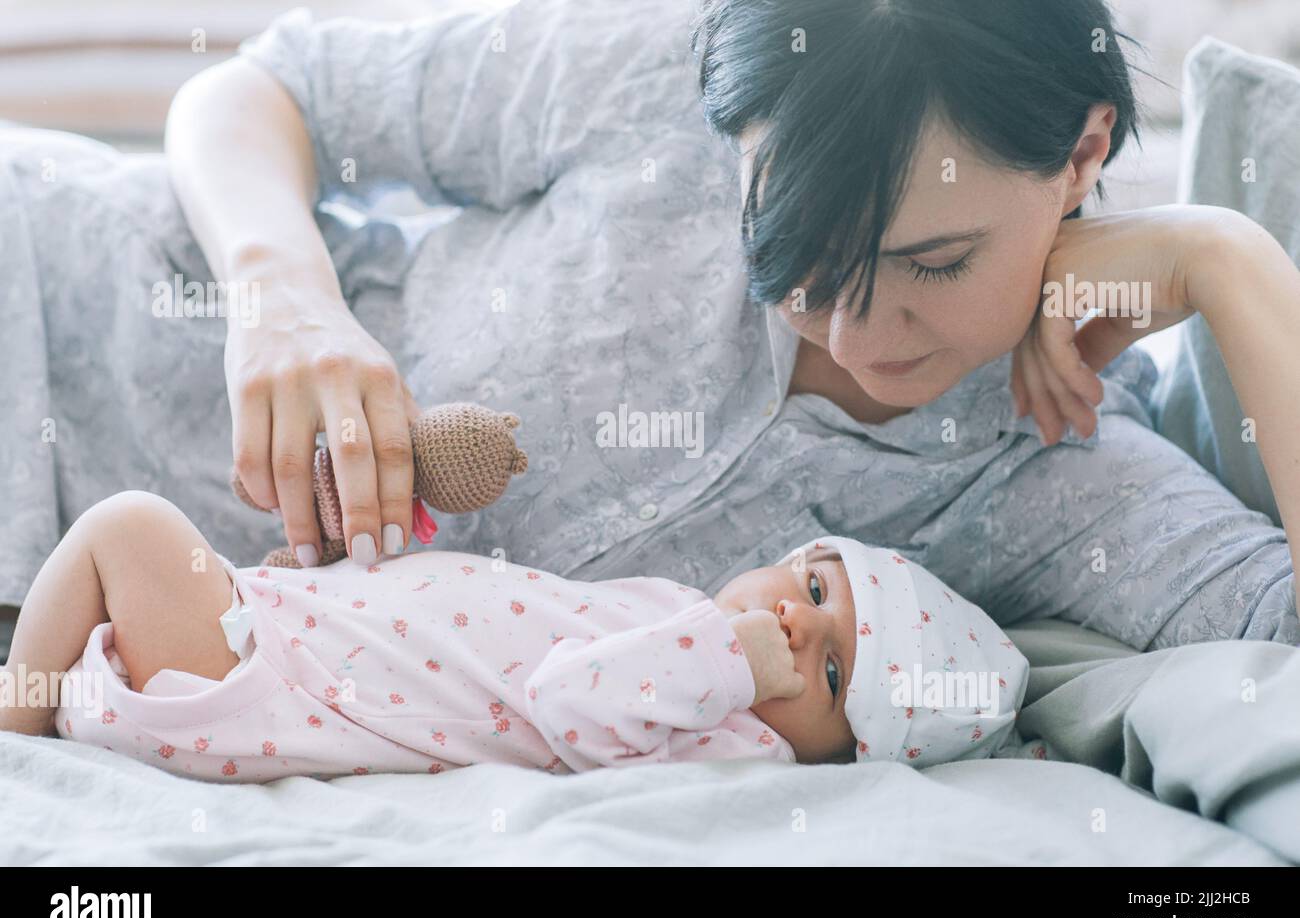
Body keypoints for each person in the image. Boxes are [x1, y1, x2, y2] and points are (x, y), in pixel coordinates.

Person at [2, 0, 1298, 657]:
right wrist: (282, 298)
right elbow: (267, 87)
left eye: (930, 264)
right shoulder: (661, 65)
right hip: (52, 290)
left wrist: (1226, 261)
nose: (850, 332)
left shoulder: (1060, 477)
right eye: (789, 255)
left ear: (1081, 157)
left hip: (78, 621)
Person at [0, 490, 1031, 780]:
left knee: (124, 529)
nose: (794, 624)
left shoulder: (735, 735)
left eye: (833, 664)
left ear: (840, 752)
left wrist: (729, 659)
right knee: (123, 564)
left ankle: (13, 739)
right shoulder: (679, 609)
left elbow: (570, 700)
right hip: (295, 632)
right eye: (812, 582)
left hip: (279, 681)